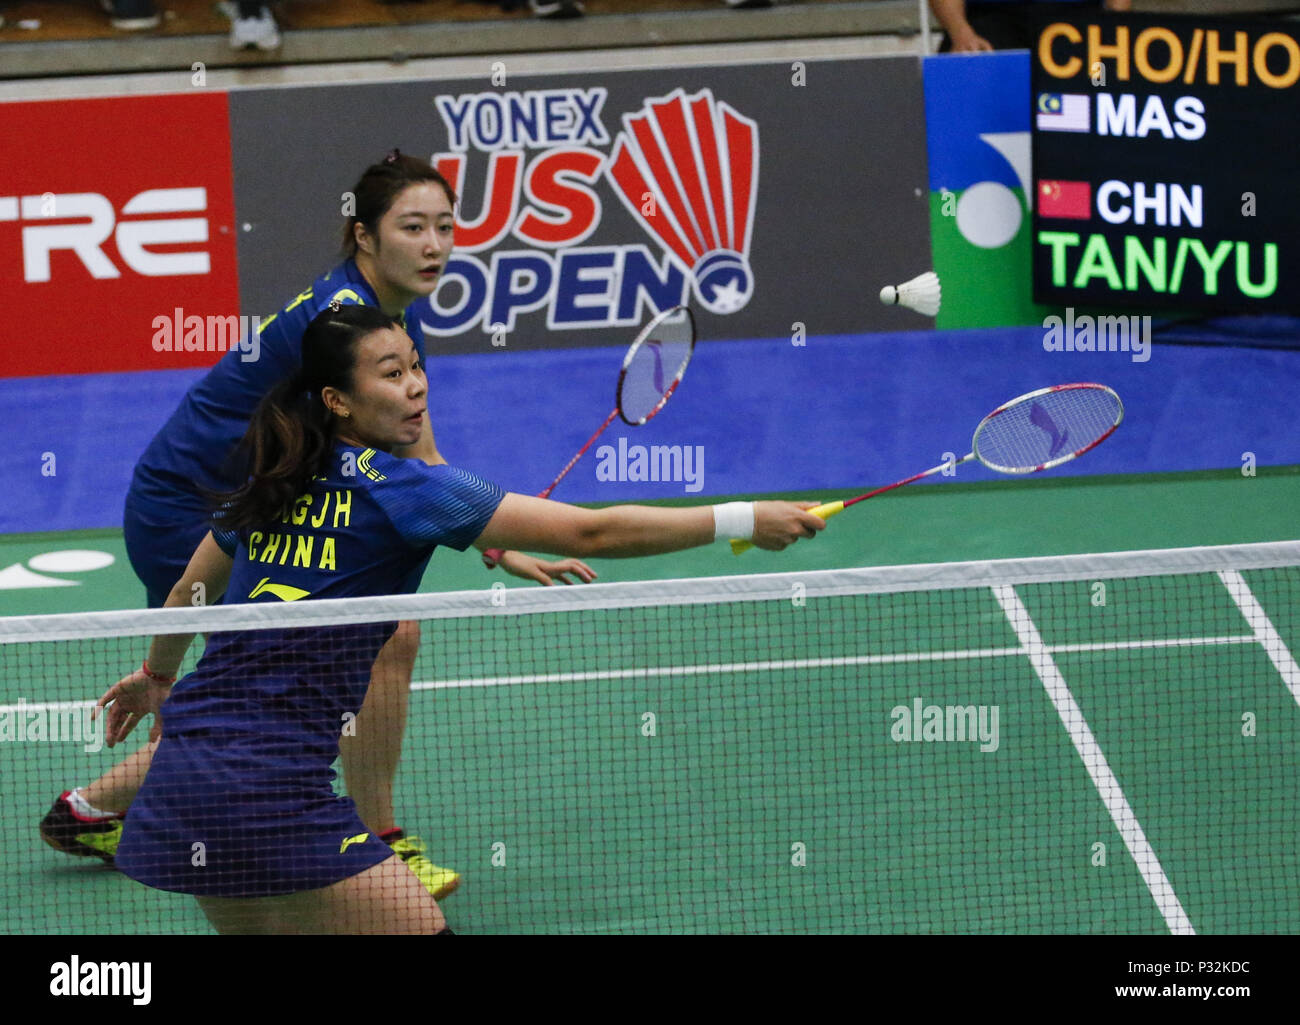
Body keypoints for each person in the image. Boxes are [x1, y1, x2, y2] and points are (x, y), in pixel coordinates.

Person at [97, 304, 824, 934]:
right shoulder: (411, 487)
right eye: (389, 373)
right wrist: (742, 517)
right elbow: (592, 534)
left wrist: (155, 675)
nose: (415, 385)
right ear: (338, 400)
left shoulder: (273, 482)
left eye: (415, 365)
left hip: (182, 785)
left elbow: (188, 594)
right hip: (271, 791)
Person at [39, 152, 589, 902]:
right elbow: (380, 475)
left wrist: (495, 535)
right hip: (195, 505)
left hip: (227, 497)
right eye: (412, 227)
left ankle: (91, 809)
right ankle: (380, 836)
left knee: (282, 671)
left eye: (445, 226)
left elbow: (414, 458)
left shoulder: (378, 316)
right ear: (364, 237)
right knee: (372, 636)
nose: (435, 245)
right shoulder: (341, 322)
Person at [931, 0, 1132, 53]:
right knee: (966, 63)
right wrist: (960, 33)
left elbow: (1117, 5)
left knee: (1103, 78)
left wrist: (1110, 33)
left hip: (1078, 24)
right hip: (991, 21)